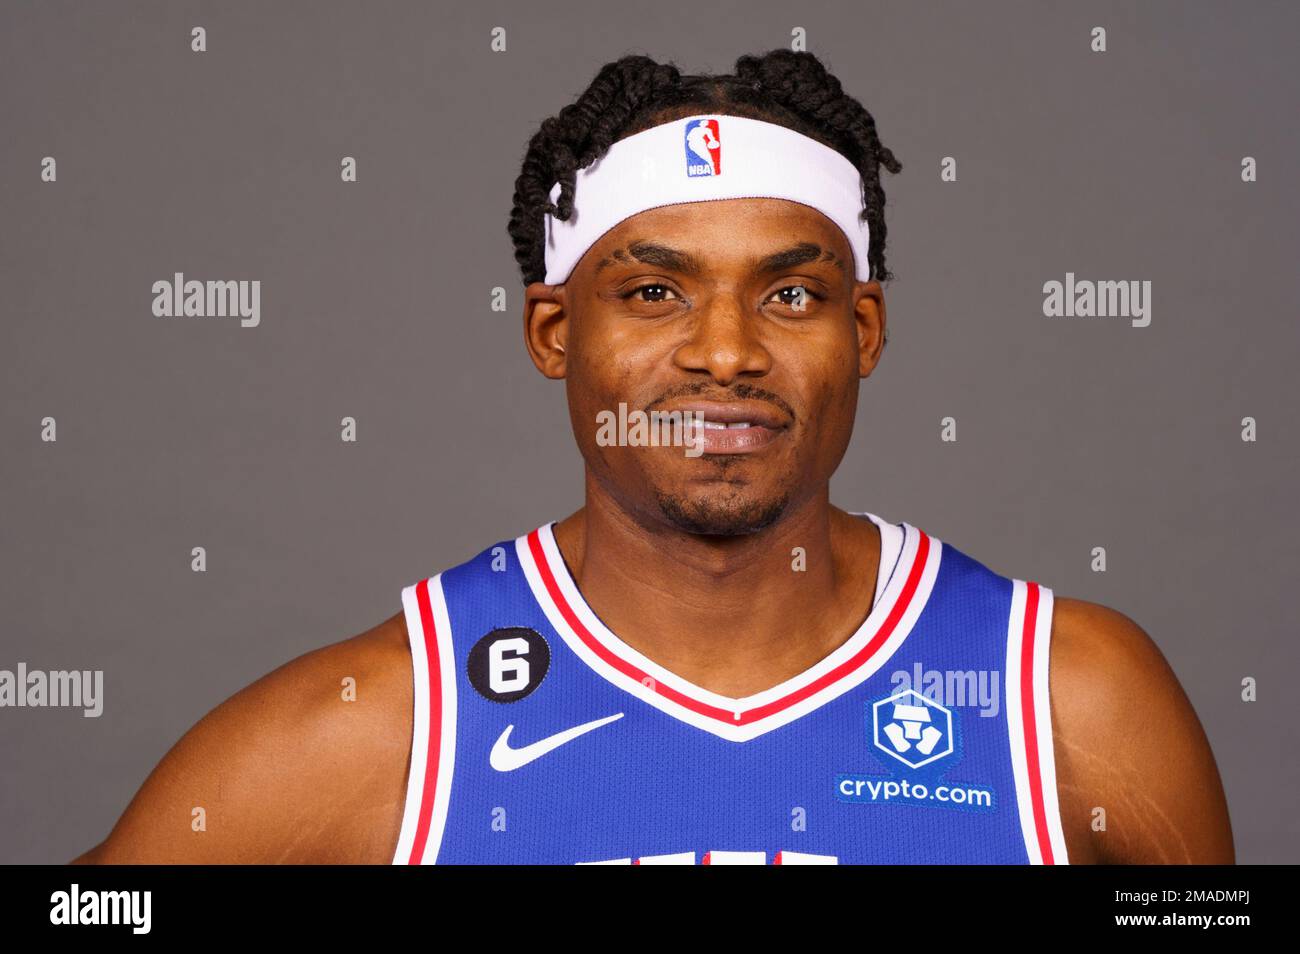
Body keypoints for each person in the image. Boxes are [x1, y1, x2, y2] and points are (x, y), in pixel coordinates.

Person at [72, 50, 1233, 865]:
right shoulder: (382, 727)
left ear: (862, 332)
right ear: (555, 334)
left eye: (790, 292)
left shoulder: (1068, 706)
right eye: (652, 291)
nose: (724, 353)